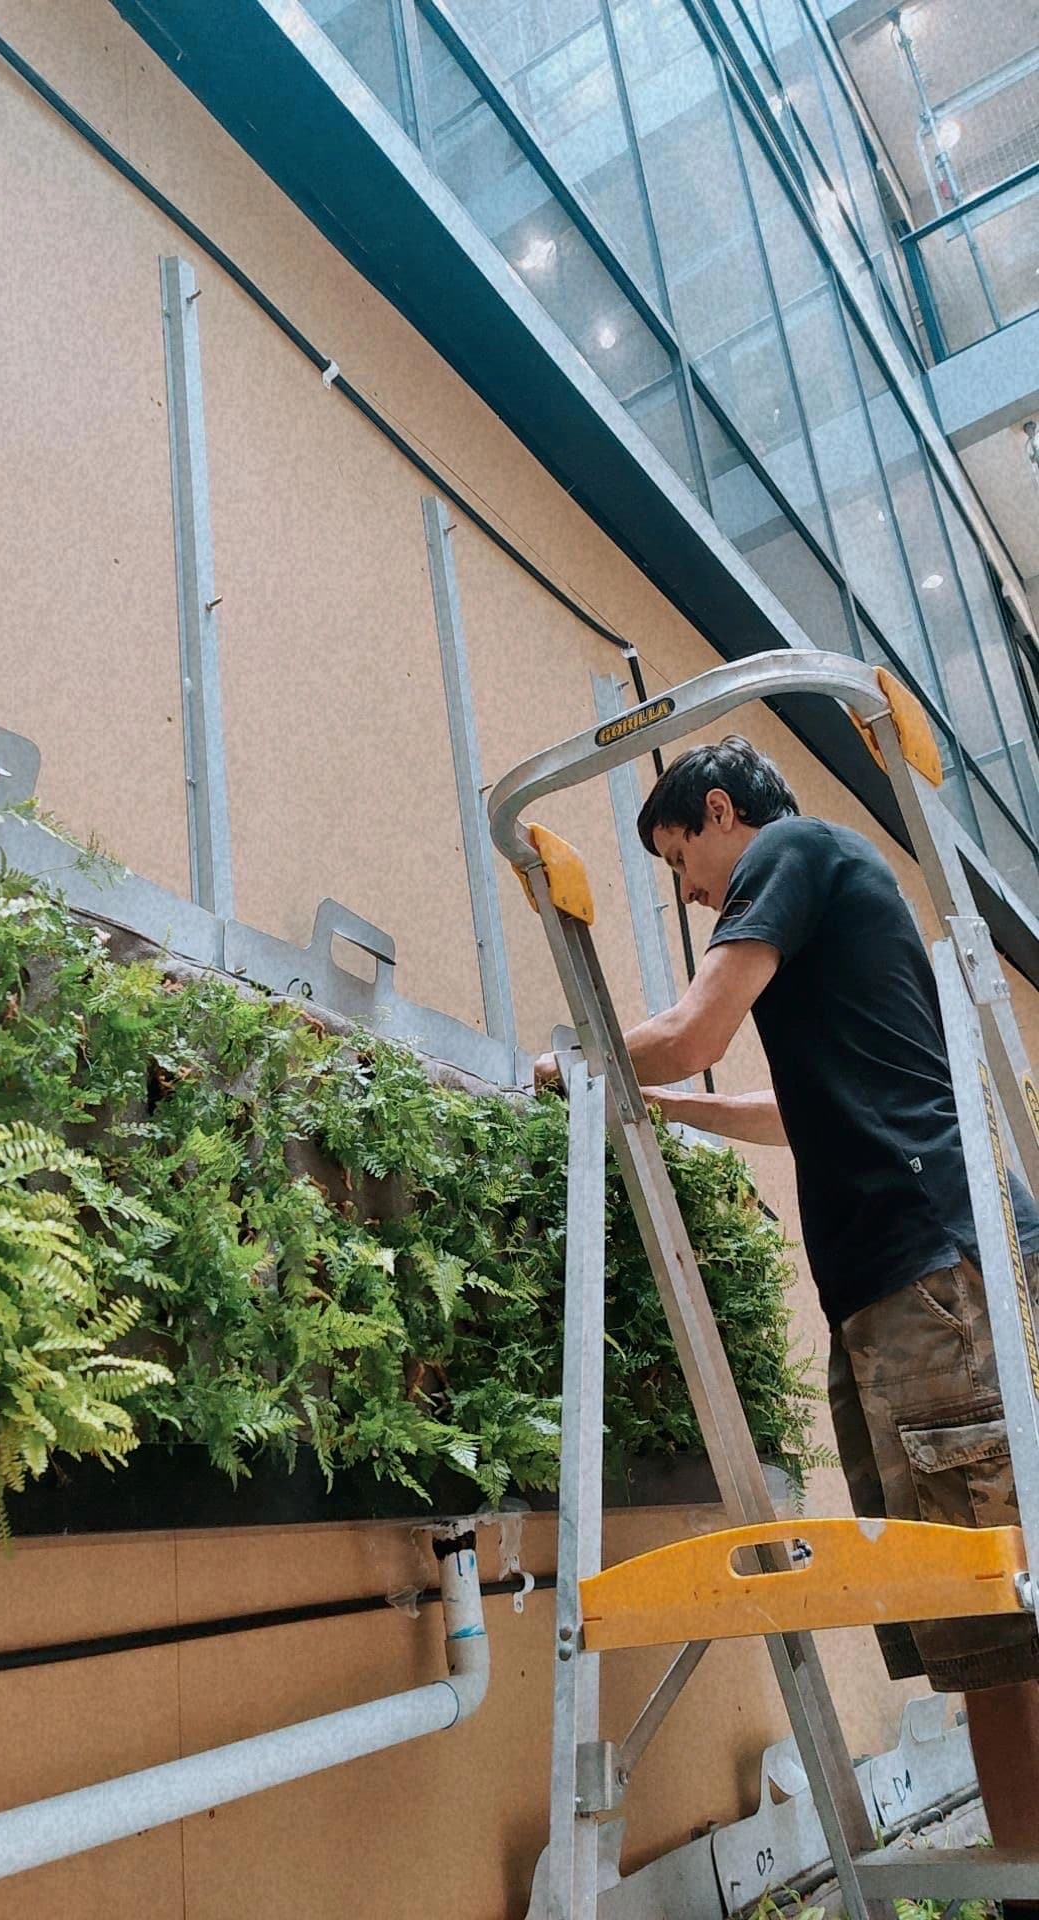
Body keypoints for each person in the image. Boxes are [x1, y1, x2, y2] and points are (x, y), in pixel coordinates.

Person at [535, 736, 1039, 1901]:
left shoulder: (798, 851)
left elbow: (701, 1025)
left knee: (1007, 1605)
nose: (696, 894)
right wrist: (655, 1101)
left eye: (686, 864)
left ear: (721, 812)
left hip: (935, 1275)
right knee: (985, 1642)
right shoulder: (836, 906)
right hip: (912, 1281)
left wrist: (572, 1067)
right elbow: (790, 1112)